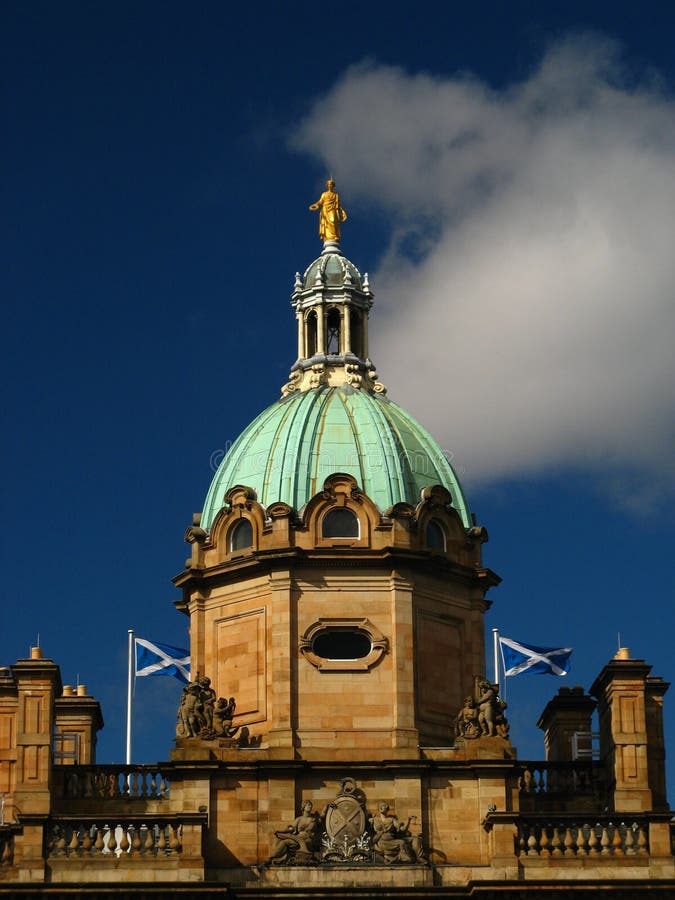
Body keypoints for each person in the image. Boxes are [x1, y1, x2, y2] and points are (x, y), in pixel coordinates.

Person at [263, 800, 321, 866]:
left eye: (311, 805)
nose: (310, 806)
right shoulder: (299, 819)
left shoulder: (313, 819)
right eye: (308, 805)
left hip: (307, 840)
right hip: (297, 839)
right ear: (303, 807)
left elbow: (311, 828)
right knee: (282, 841)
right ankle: (272, 858)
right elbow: (291, 829)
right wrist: (280, 831)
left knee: (285, 842)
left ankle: (271, 858)